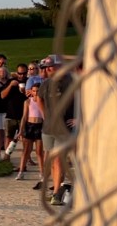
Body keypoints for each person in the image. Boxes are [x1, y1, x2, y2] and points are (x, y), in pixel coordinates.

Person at [36, 55, 76, 205]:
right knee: (52, 160)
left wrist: (78, 117)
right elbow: (38, 98)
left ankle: (57, 194)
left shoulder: (70, 81)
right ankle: (56, 190)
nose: (48, 70)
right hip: (49, 127)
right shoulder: (46, 83)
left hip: (64, 127)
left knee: (59, 160)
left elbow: (84, 98)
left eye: (50, 67)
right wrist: (45, 115)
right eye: (46, 67)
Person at [17, 80, 45, 182]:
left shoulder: (43, 101)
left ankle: (42, 173)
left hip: (39, 125)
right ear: (31, 91)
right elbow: (24, 116)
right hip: (29, 125)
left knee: (39, 152)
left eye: (38, 91)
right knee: (26, 151)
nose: (36, 93)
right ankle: (21, 171)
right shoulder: (28, 101)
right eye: (34, 91)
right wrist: (21, 130)